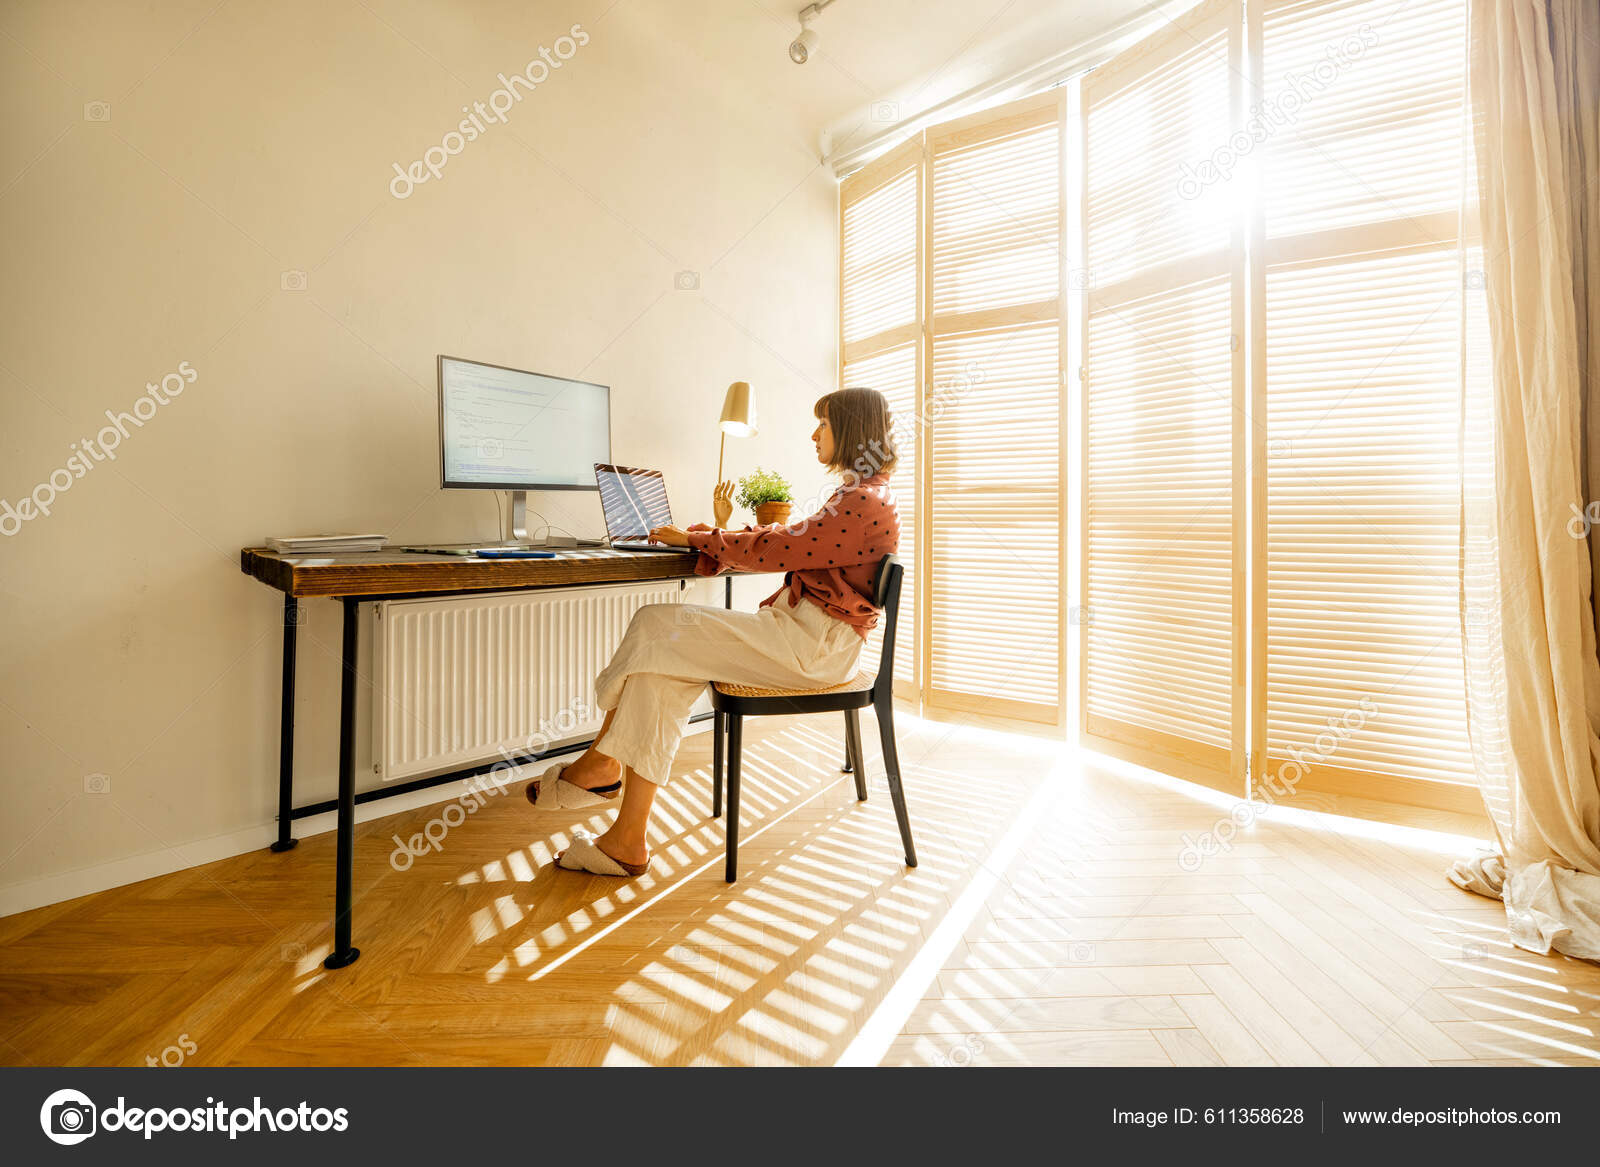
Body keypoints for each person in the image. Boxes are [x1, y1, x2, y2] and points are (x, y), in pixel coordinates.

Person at [527, 387, 902, 876]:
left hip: (812, 649)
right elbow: (792, 545)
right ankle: (626, 841)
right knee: (660, 670)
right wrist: (715, 539)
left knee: (653, 622)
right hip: (802, 636)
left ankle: (601, 760)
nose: (814, 434)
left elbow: (785, 546)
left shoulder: (863, 500)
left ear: (851, 429)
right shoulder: (861, 495)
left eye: (824, 425)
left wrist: (699, 538)